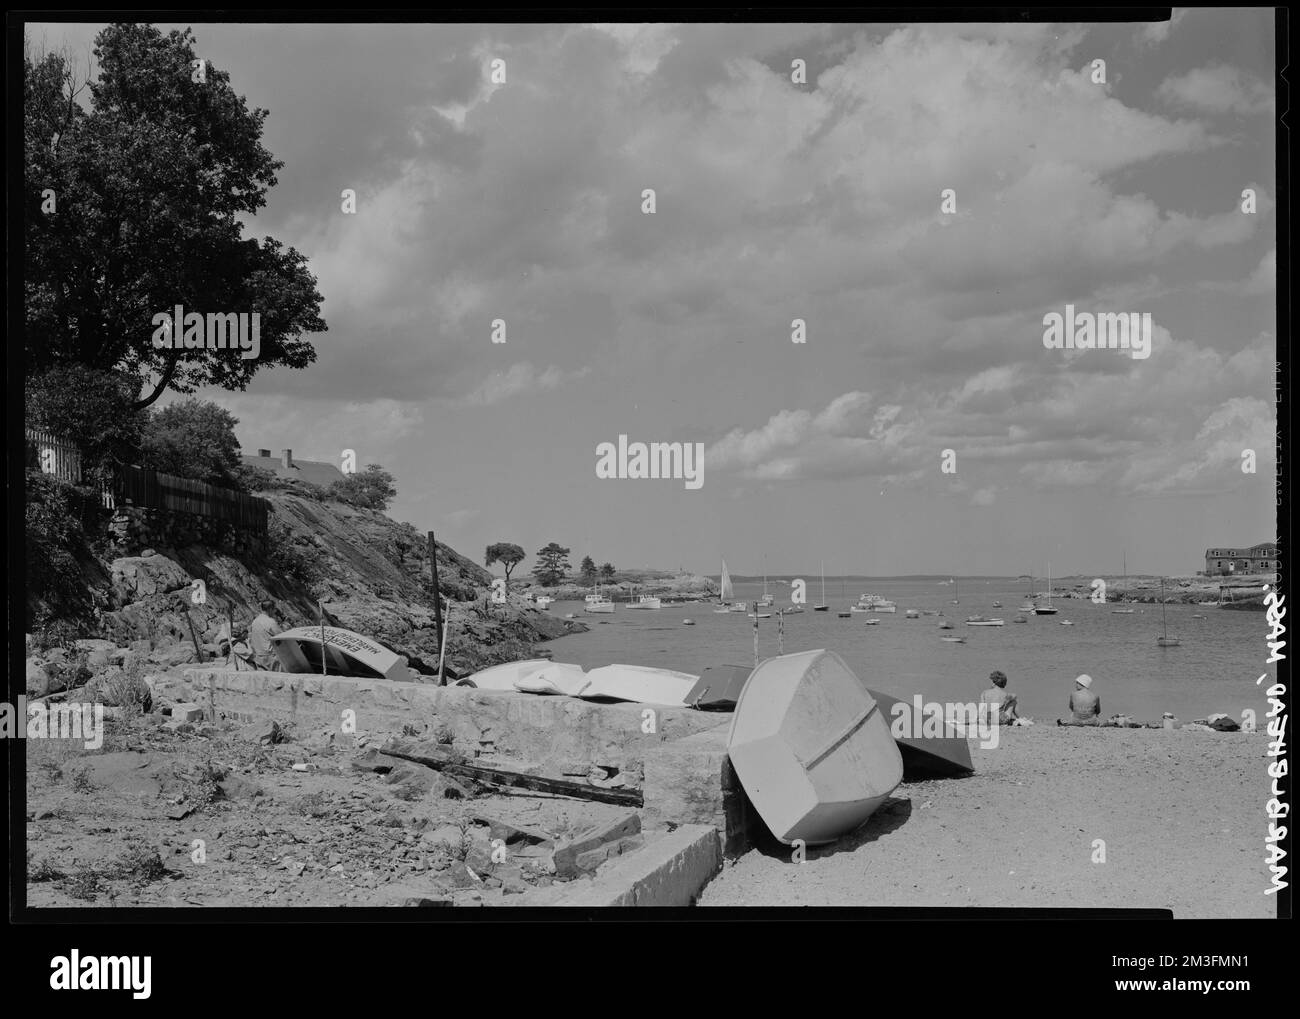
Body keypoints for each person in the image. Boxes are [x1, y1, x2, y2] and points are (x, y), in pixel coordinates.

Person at [248, 600, 281, 671]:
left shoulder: (255, 621)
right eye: (274, 609)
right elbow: (281, 637)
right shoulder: (270, 622)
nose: (274, 612)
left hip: (258, 656)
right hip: (270, 657)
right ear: (270, 609)